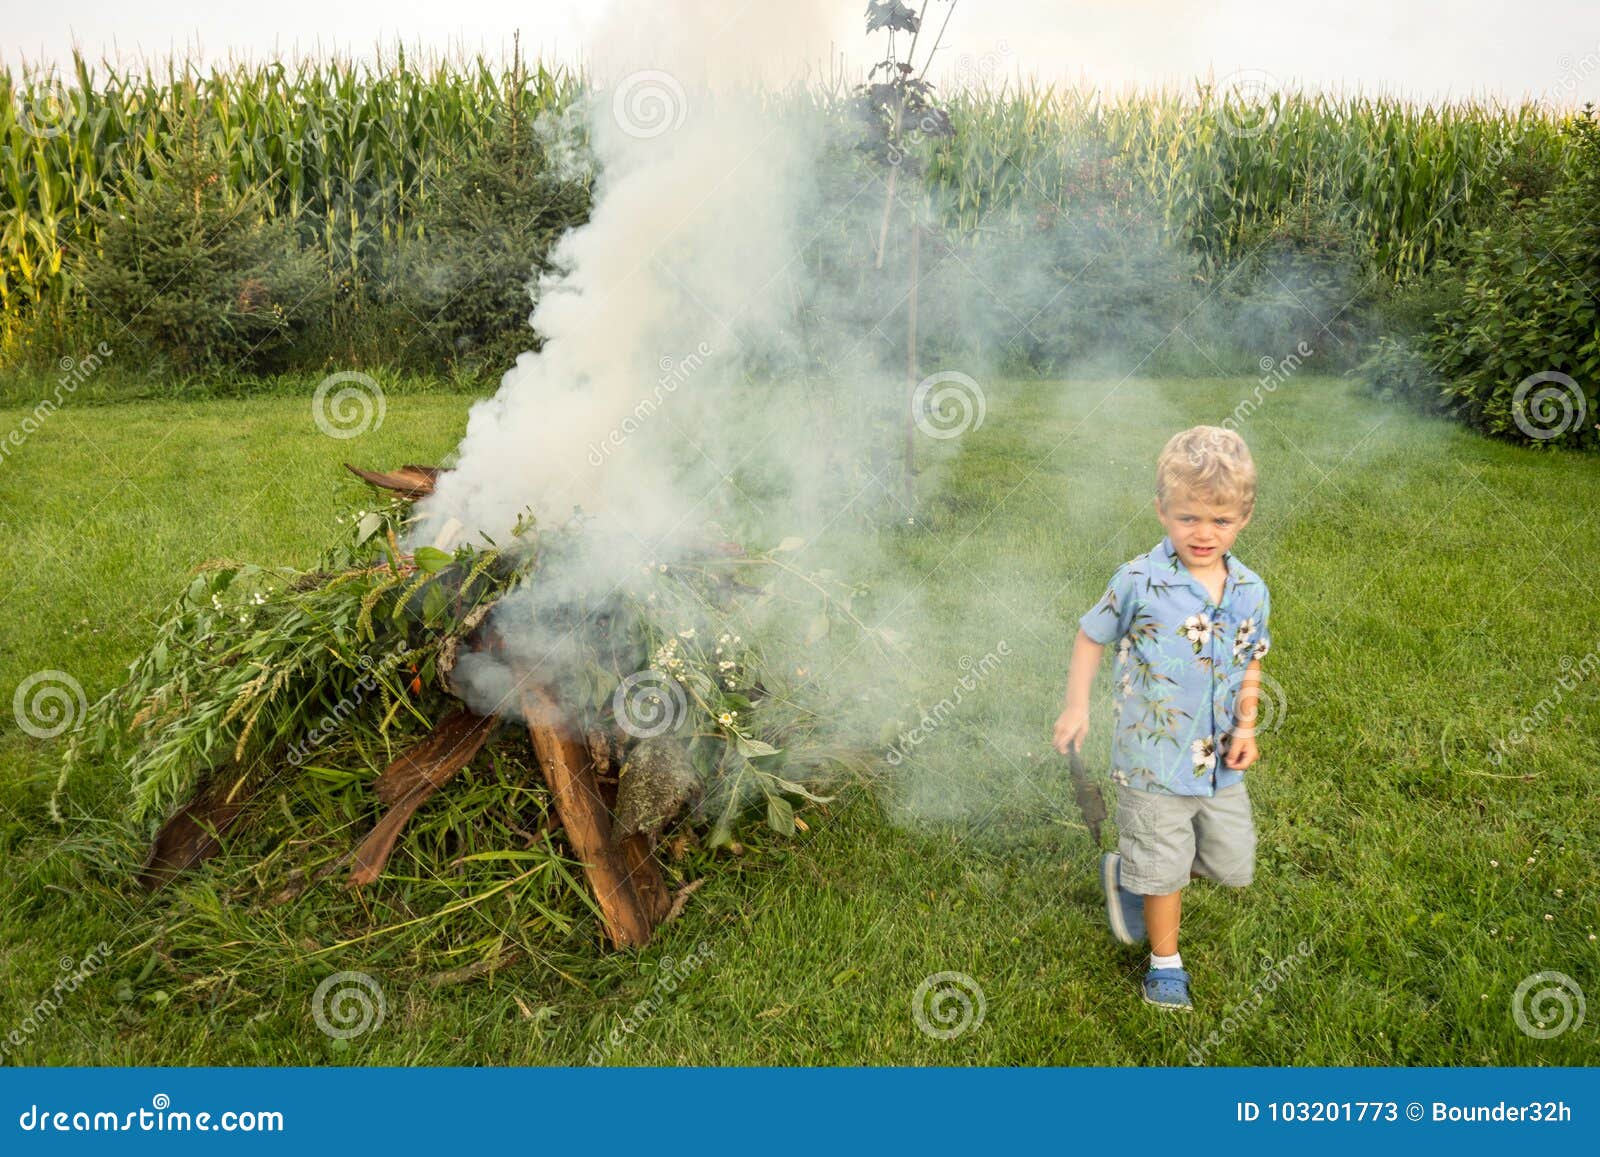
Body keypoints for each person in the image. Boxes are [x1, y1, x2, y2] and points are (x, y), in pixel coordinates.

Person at [1052, 425, 1272, 1011]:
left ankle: (1133, 875)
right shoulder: (1139, 581)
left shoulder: (1250, 590)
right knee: (1166, 867)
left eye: (1220, 521)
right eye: (1188, 517)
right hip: (1151, 762)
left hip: (1218, 761)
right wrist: (1078, 705)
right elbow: (1090, 635)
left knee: (1232, 863)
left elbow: (1251, 658)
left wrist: (1247, 725)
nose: (1203, 533)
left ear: (1244, 517)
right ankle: (1165, 960)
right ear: (1162, 511)